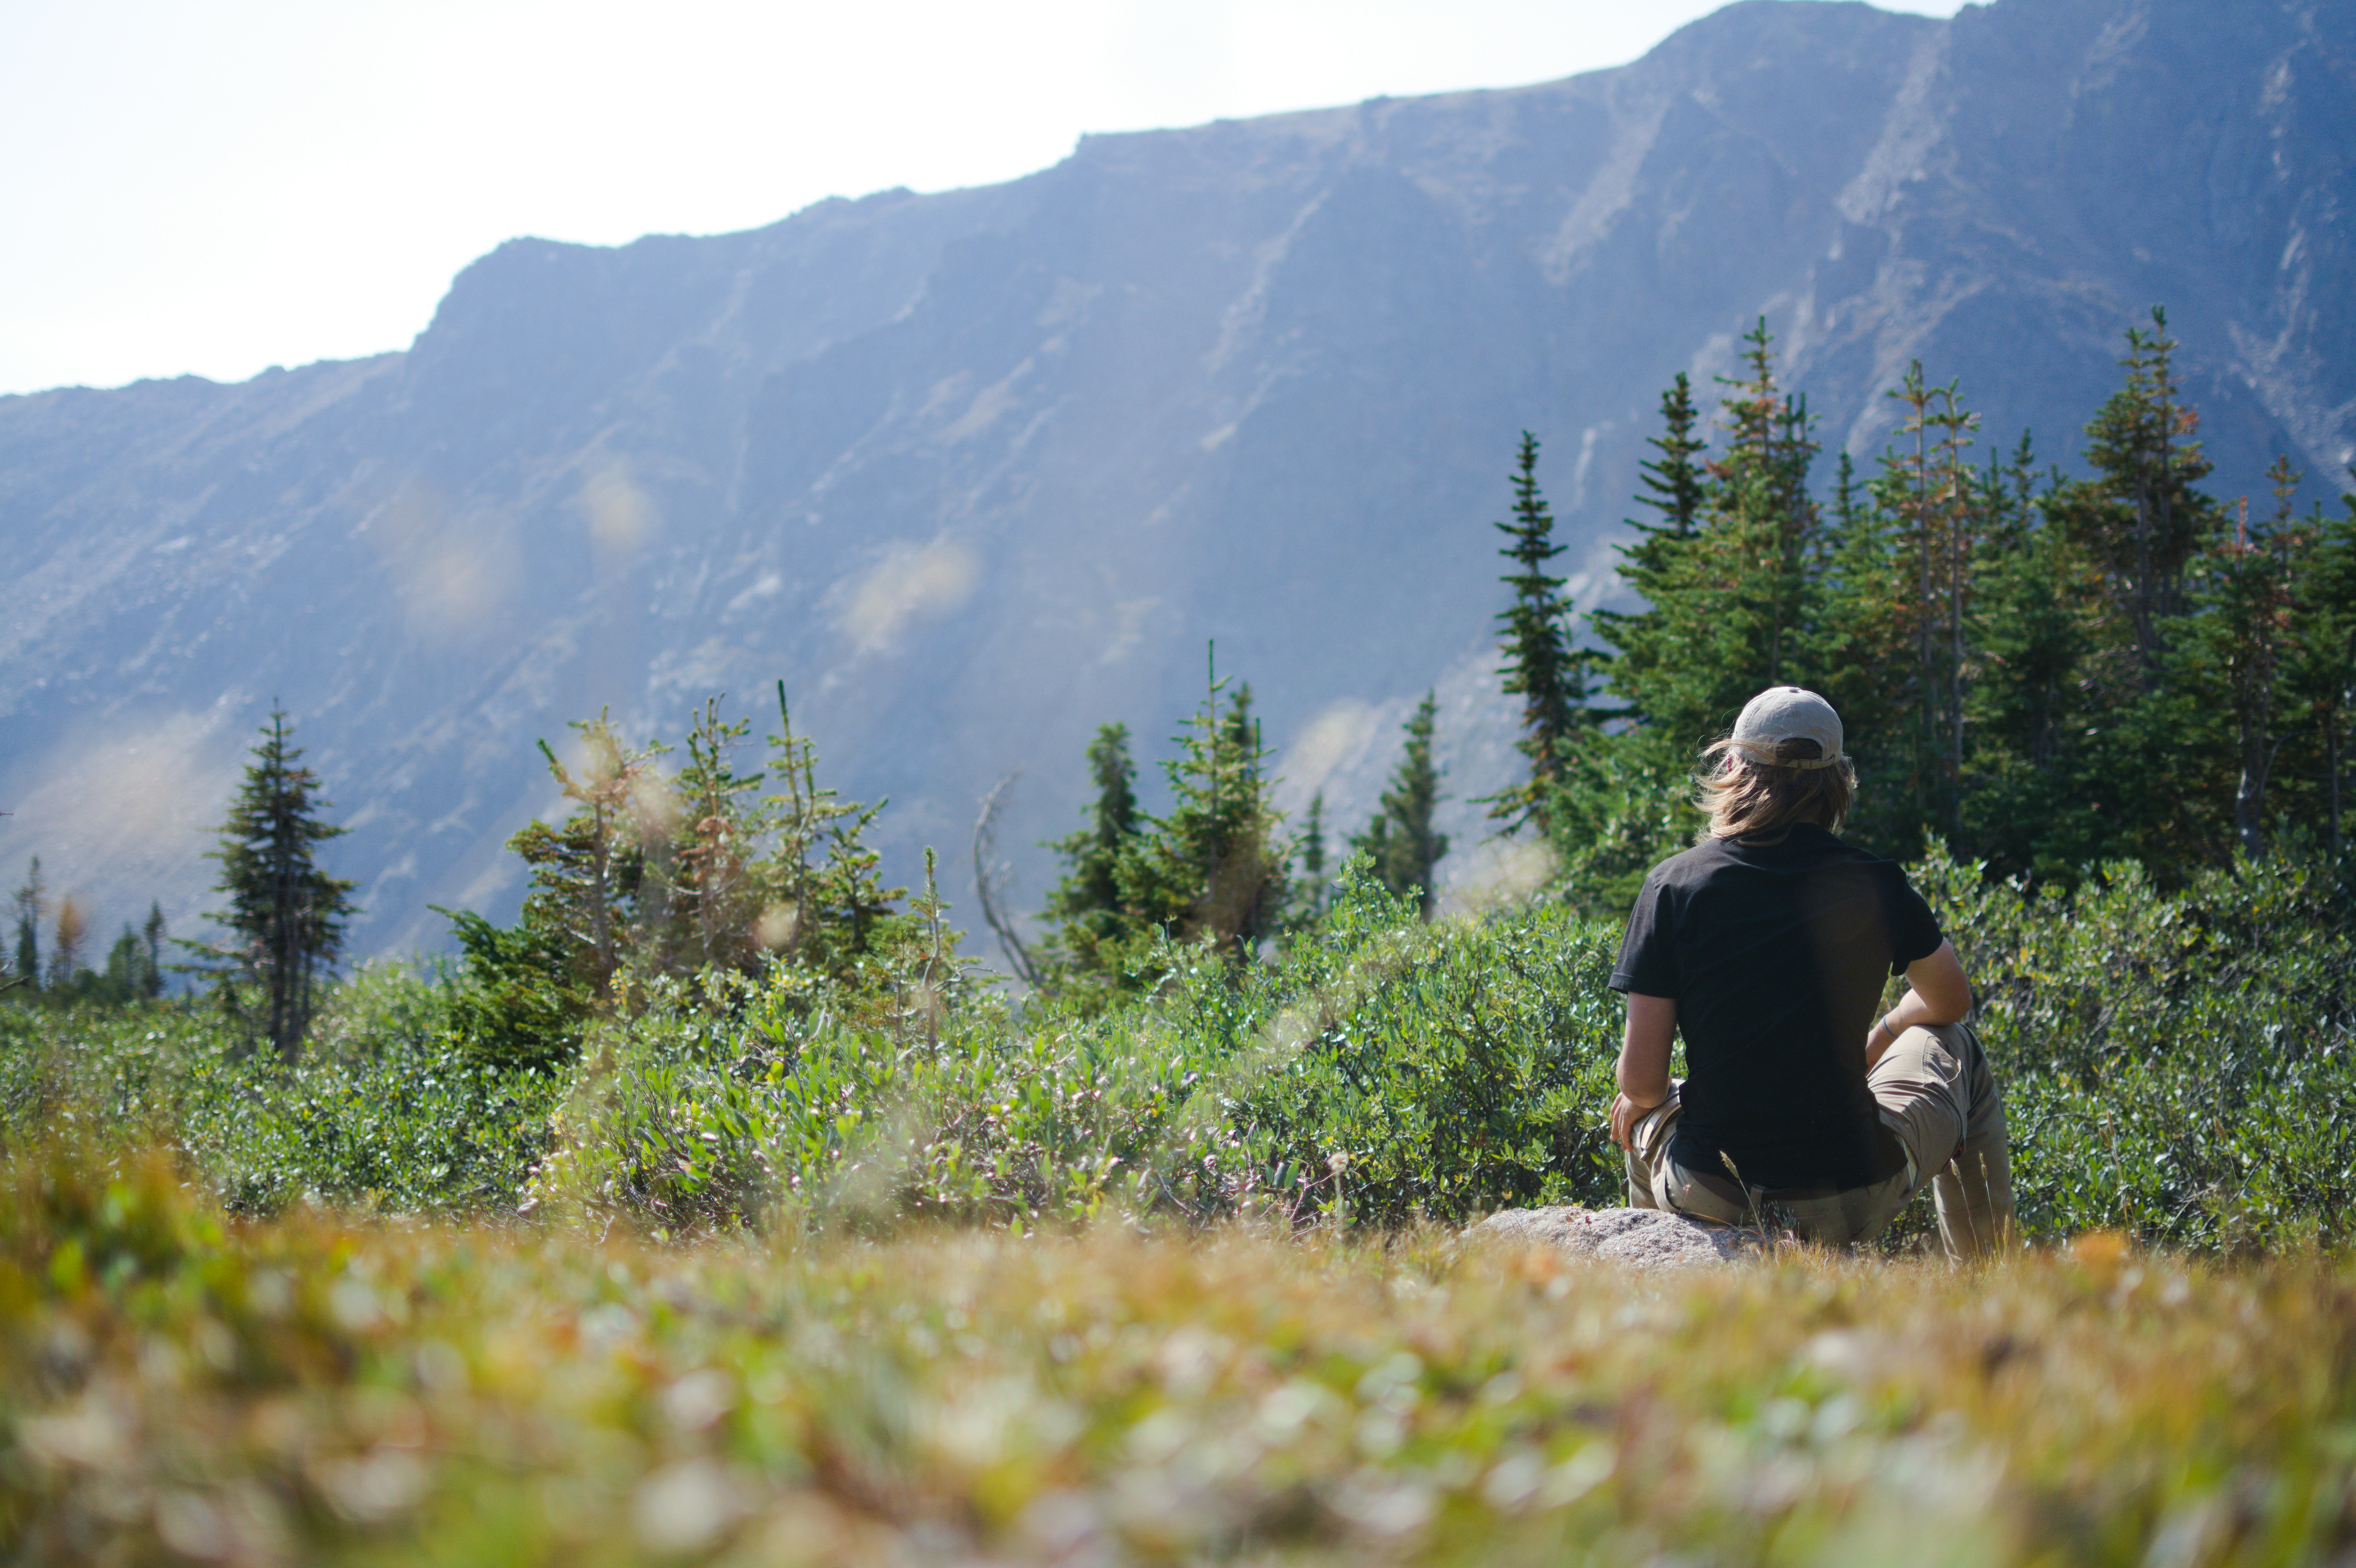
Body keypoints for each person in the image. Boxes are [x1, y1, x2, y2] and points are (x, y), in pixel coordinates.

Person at [1605, 686, 2014, 1257]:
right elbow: (1950, 1004)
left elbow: (1643, 1083)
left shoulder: (1674, 886)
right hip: (1853, 1198)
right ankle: (1987, 1275)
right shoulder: (1874, 883)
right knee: (1957, 1046)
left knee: (1638, 1110)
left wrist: (1668, 1095)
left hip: (1712, 1192)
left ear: (1731, 767)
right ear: (1838, 779)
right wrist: (1886, 1035)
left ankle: (1659, 1272)